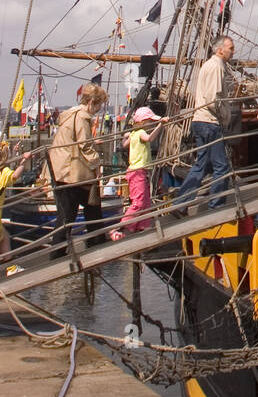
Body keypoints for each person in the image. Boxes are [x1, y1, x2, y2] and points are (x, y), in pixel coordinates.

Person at [171, 37, 235, 216]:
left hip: (200, 120)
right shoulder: (216, 67)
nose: (233, 51)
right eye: (231, 48)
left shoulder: (209, 65)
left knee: (202, 165)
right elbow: (213, 99)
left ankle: (180, 203)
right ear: (220, 50)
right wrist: (224, 117)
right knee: (221, 166)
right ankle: (216, 206)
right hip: (210, 122)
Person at [47, 83, 109, 258]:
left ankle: (95, 240)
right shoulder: (82, 117)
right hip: (70, 172)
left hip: (62, 169)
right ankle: (58, 253)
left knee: (80, 209)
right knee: (72, 212)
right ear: (92, 102)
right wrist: (97, 165)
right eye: (98, 105)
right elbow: (85, 145)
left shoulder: (70, 114)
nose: (98, 110)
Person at [109, 107, 165, 240]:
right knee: (139, 203)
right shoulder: (140, 133)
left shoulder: (133, 134)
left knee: (145, 202)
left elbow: (124, 144)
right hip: (137, 171)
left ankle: (142, 226)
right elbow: (150, 138)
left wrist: (125, 136)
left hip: (139, 171)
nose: (151, 124)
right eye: (150, 121)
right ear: (143, 122)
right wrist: (160, 125)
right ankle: (121, 227)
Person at [0, 144, 32, 277]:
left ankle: (10, 267)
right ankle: (11, 268)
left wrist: (14, 153)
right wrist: (23, 162)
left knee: (4, 238)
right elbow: (15, 176)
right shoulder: (3, 172)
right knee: (5, 239)